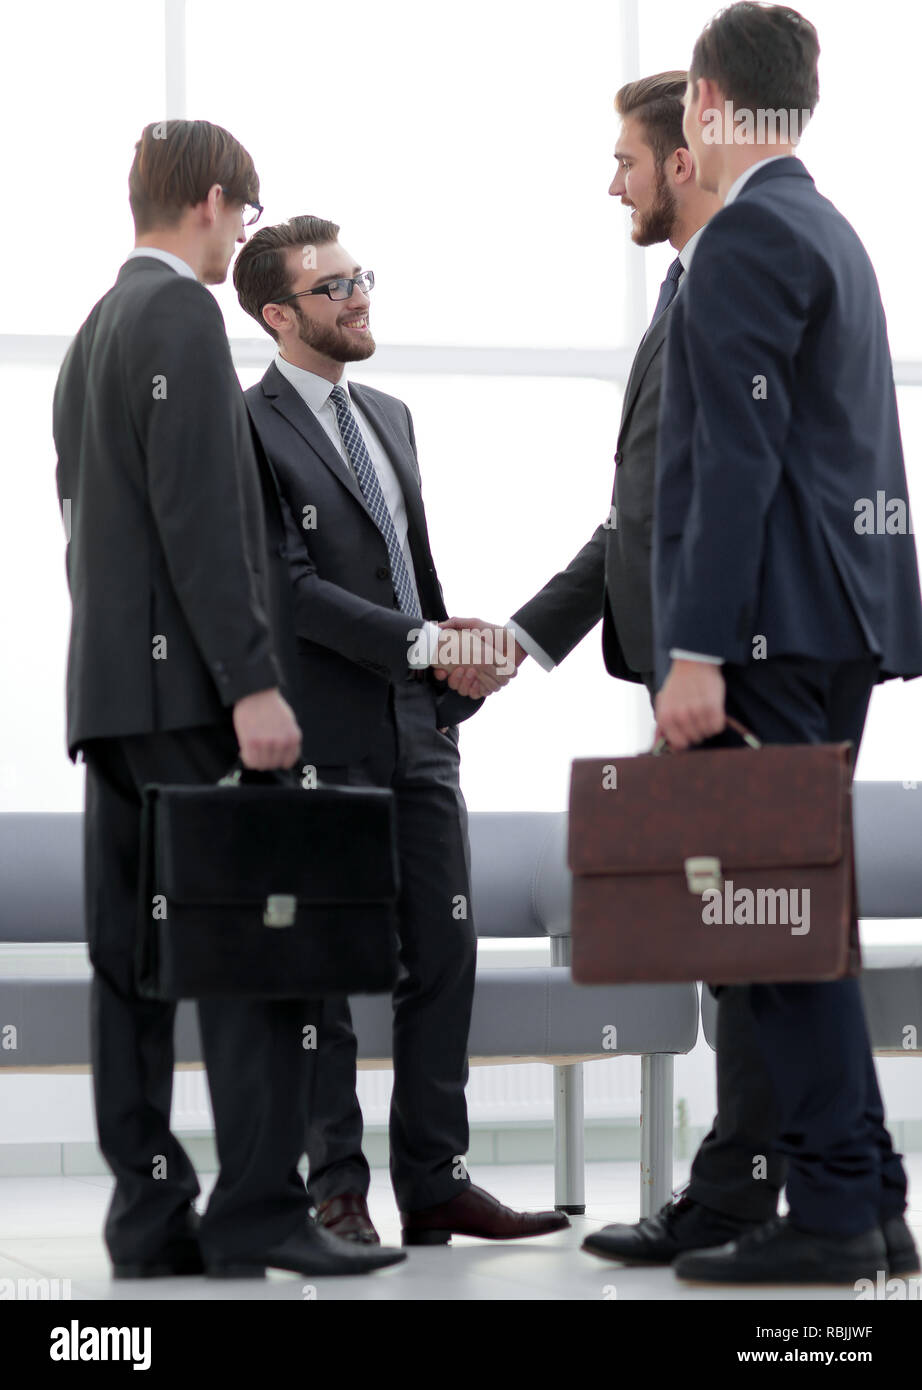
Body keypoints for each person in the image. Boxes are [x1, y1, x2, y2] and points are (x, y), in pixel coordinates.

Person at [52, 121, 404, 1280]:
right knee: (256, 958)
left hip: (108, 700)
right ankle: (258, 1212)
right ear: (212, 201)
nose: (242, 238)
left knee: (132, 971)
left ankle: (150, 1221)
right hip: (192, 700)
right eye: (245, 218)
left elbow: (93, 531)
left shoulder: (93, 334)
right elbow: (204, 520)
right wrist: (253, 681)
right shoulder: (183, 320)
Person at [232, 216, 570, 1247]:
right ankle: (337, 1188)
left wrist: (451, 675)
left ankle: (436, 1179)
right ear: (277, 316)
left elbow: (408, 576)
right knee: (324, 966)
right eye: (334, 288)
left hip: (417, 730)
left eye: (360, 277)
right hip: (317, 736)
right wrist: (428, 644)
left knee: (446, 946)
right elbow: (290, 597)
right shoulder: (244, 428)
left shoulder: (390, 414)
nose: (360, 297)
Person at [652, 2, 921, 1283]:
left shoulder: (748, 237)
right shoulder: (833, 228)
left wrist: (697, 651)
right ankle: (865, 1197)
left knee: (771, 926)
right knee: (806, 920)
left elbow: (738, 463)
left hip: (767, 631)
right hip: (842, 619)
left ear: (705, 103)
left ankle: (828, 1213)